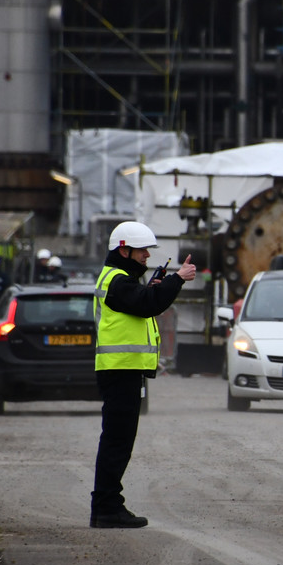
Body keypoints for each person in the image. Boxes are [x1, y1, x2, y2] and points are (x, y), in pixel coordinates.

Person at [90, 221, 196, 528]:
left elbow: (143, 298)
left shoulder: (122, 279)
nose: (147, 257)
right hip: (119, 370)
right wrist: (177, 280)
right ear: (124, 249)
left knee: (119, 440)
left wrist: (161, 282)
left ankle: (108, 505)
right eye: (142, 252)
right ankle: (108, 508)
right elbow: (148, 304)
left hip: (124, 370)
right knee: (117, 441)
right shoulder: (117, 281)